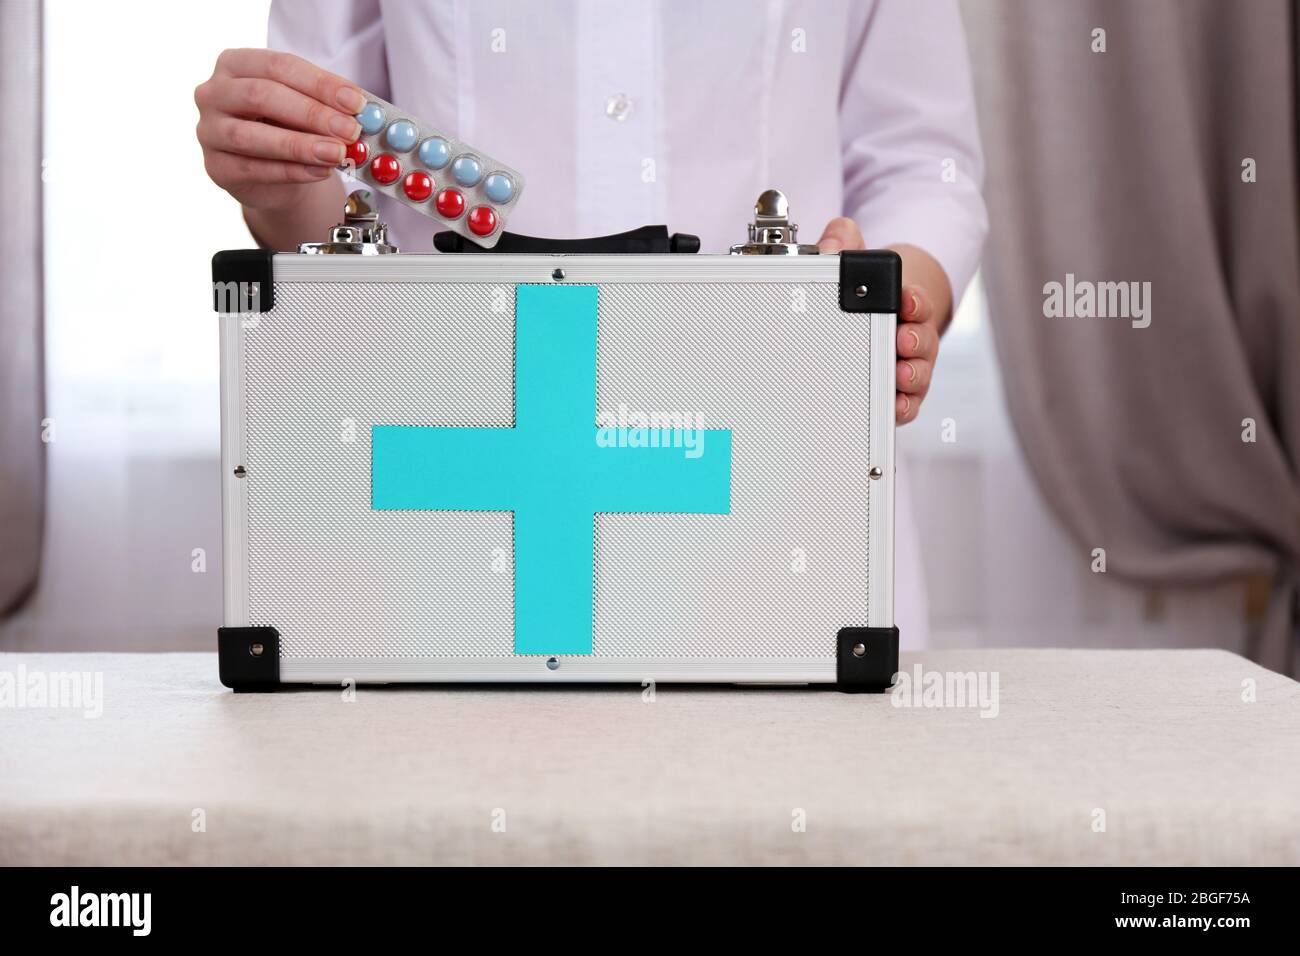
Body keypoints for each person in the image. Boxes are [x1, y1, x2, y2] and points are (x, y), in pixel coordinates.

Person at [195, 0, 988, 649]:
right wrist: (272, 171)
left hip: (781, 477)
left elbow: (923, 166)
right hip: (446, 489)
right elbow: (333, 202)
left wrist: (890, 307)